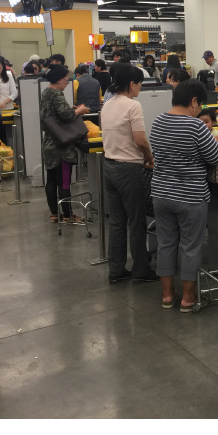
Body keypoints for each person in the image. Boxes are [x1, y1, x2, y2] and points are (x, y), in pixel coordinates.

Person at [149, 79, 218, 312]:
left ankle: (167, 295)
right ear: (193, 101)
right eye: (200, 105)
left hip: (161, 194)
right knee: (191, 247)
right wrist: (217, 142)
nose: (200, 110)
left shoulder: (158, 121)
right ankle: (188, 299)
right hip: (190, 196)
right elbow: (215, 158)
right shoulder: (196, 127)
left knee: (166, 244)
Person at [100, 63, 158, 284]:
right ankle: (141, 269)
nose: (140, 89)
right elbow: (140, 140)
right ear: (132, 84)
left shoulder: (108, 104)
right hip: (129, 169)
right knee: (136, 221)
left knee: (117, 222)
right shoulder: (133, 106)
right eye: (140, 84)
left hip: (110, 166)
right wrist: (149, 157)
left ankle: (116, 270)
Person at [39, 66, 89, 225]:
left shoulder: (46, 92)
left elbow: (54, 115)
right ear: (60, 79)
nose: (68, 82)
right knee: (64, 182)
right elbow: (66, 116)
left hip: (49, 143)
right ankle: (68, 215)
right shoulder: (56, 93)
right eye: (67, 79)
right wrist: (80, 111)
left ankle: (54, 214)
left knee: (51, 181)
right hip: (61, 146)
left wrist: (70, 110)